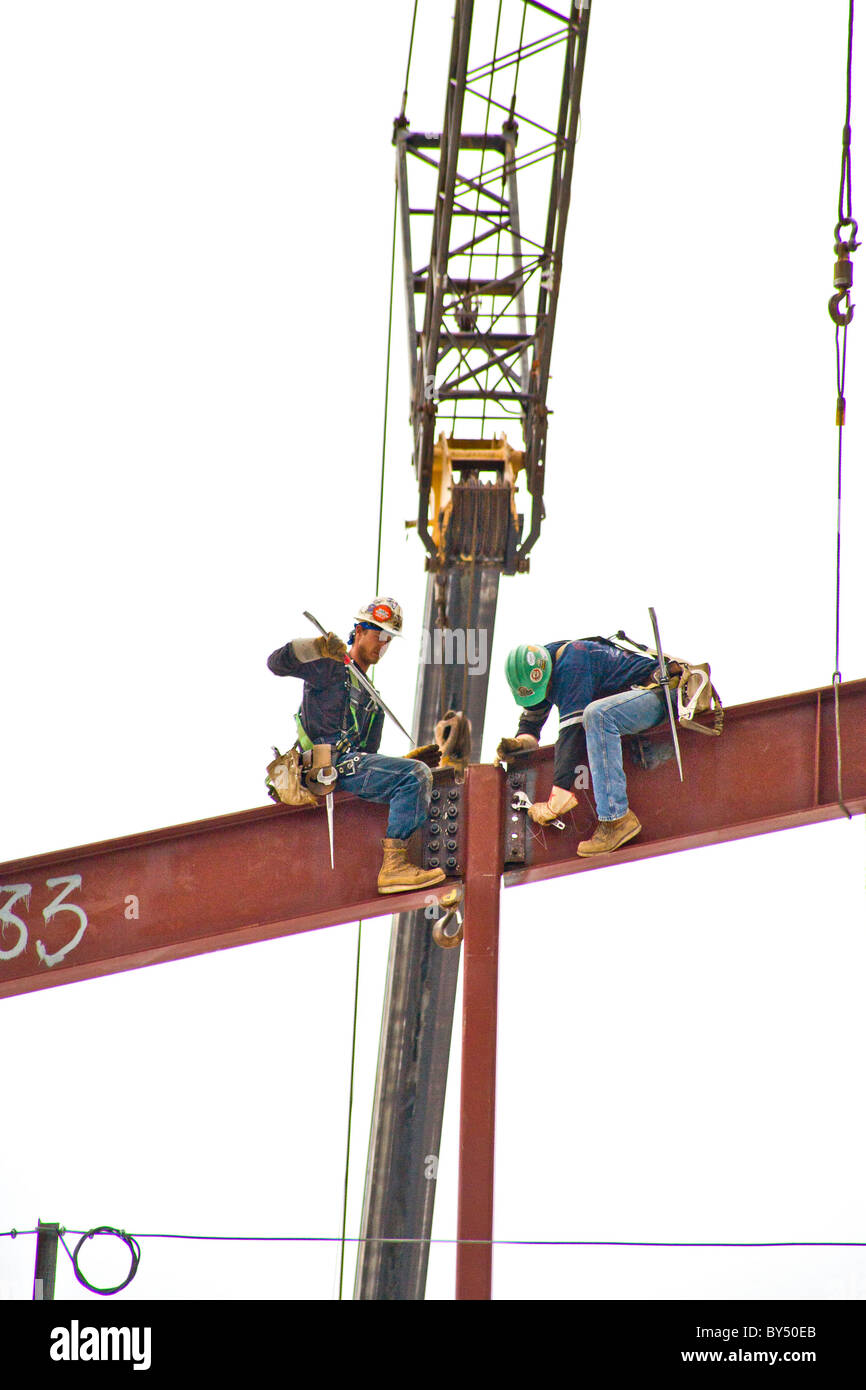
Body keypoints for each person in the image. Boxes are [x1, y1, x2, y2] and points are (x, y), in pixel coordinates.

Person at [267, 597, 446, 894]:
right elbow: (276, 662)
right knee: (414, 775)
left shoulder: (374, 704)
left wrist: (404, 762)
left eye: (389, 639)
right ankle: (394, 868)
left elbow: (368, 761)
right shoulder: (330, 668)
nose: (383, 644)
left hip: (347, 769)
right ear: (359, 631)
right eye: (379, 635)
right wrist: (317, 647)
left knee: (415, 773)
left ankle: (398, 861)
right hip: (323, 767)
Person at [498, 636, 675, 856]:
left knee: (597, 716)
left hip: (662, 694)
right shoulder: (546, 665)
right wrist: (520, 743)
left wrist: (556, 800)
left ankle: (616, 820)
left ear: (546, 675)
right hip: (635, 702)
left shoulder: (572, 664)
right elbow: (531, 723)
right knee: (598, 714)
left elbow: (572, 733)